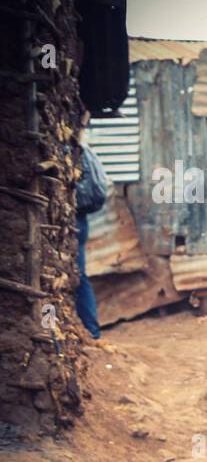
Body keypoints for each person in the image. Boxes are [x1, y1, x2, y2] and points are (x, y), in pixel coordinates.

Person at [74, 119, 109, 339]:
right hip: (81, 220)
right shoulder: (84, 150)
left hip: (74, 221)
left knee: (77, 276)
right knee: (79, 275)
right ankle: (91, 329)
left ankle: (92, 331)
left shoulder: (74, 153)